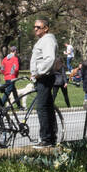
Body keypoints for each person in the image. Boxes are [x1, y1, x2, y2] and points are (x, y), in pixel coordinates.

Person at [28, 18, 59, 146]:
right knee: (48, 107)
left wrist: (38, 73)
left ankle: (46, 139)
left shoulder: (48, 40)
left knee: (42, 108)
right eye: (34, 27)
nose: (35, 29)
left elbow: (49, 59)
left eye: (38, 27)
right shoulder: (43, 40)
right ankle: (51, 136)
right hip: (41, 77)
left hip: (44, 78)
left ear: (46, 28)